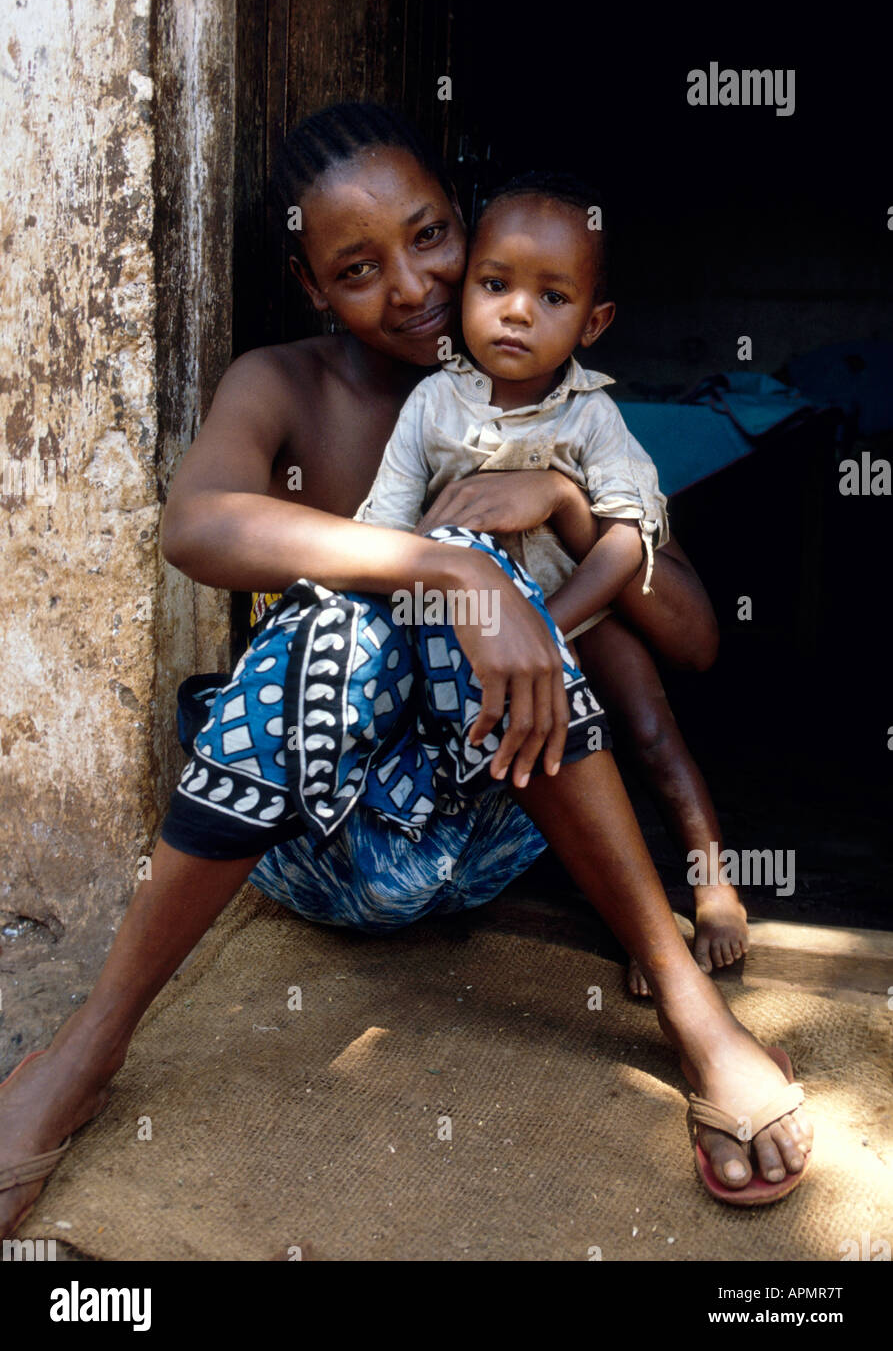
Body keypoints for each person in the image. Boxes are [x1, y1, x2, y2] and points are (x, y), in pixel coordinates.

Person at [0, 104, 811, 1239]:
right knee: (404, 589)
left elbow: (689, 634)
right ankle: (85, 1052)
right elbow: (197, 526)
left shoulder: (565, 402)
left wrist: (569, 511)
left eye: (430, 235)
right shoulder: (282, 385)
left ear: (466, 218)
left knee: (496, 564)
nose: (414, 283)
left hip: (494, 821)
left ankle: (688, 1009)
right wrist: (444, 565)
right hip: (324, 839)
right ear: (311, 287)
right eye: (357, 267)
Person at [354, 169, 749, 993]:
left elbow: (624, 543)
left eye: (552, 297)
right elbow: (383, 529)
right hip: (472, 624)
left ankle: (711, 882)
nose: (517, 311)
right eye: (494, 285)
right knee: (548, 765)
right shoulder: (433, 404)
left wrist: (552, 622)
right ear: (465, 292)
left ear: (594, 321)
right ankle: (634, 925)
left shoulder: (589, 416)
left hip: (586, 609)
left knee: (646, 730)